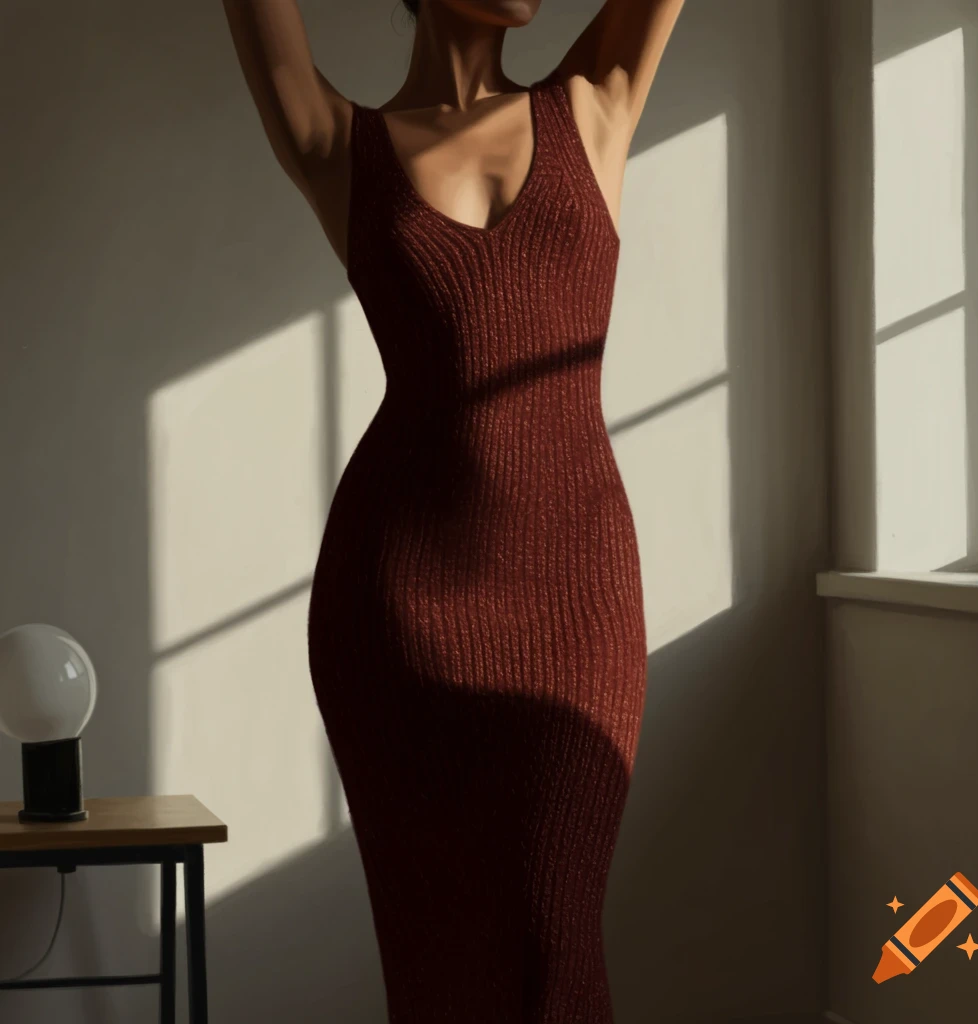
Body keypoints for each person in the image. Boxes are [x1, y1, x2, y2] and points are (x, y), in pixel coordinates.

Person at [221, 1, 686, 1020]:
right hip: (400, 612)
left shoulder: (592, 104)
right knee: (437, 970)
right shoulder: (344, 145)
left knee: (552, 949)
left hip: (576, 597)